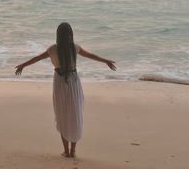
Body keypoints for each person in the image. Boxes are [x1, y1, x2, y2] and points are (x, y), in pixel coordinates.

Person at [14, 22, 117, 158]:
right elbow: (91, 55)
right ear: (71, 34)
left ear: (58, 35)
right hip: (73, 82)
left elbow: (37, 58)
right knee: (74, 114)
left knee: (62, 114)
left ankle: (66, 151)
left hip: (59, 82)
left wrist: (23, 65)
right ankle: (73, 151)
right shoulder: (75, 48)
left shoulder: (52, 49)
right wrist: (106, 61)